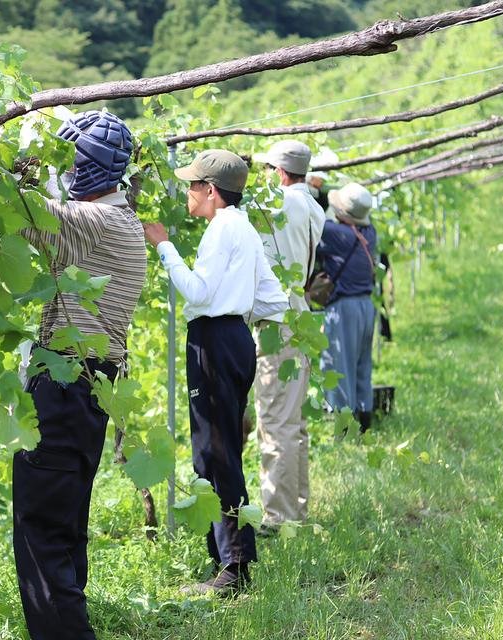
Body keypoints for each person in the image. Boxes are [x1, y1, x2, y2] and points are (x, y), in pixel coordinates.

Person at [14, 110, 146, 639]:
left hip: (66, 389)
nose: (64, 170)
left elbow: (15, 211)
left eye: (71, 160)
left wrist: (1, 165)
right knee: (65, 529)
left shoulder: (94, 223)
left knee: (41, 533)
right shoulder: (124, 220)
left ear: (89, 168)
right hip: (90, 389)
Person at [144, 150, 287, 595]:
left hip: (212, 340)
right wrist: (237, 312)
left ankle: (234, 568)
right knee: (220, 447)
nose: (188, 192)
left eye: (192, 185)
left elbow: (198, 292)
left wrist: (163, 244)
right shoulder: (242, 227)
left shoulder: (220, 229)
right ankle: (226, 559)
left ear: (211, 191)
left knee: (214, 452)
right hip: (235, 340)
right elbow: (273, 300)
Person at [251, 141, 325, 532]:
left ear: (279, 173)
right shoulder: (313, 206)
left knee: (275, 419)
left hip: (277, 320)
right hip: (300, 316)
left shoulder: (278, 203)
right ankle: (295, 509)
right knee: (292, 420)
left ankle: (278, 518)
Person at [318, 183, 379, 431]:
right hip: (366, 306)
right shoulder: (370, 231)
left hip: (344, 308)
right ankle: (365, 423)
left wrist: (317, 193)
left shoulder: (336, 233)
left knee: (338, 366)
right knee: (362, 365)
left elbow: (313, 225)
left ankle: (343, 430)